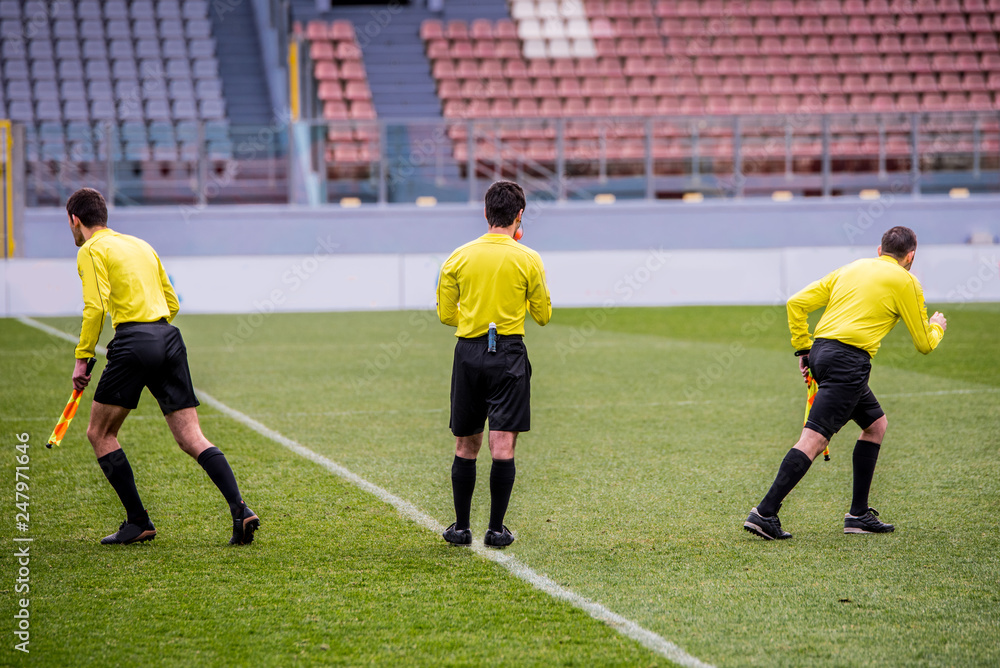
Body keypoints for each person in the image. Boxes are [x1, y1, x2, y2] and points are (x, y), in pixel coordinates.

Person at [66, 188, 259, 546]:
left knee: (99, 434)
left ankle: (138, 522)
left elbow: (94, 307)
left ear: (75, 220)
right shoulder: (141, 245)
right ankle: (240, 509)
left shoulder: (91, 250)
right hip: (169, 337)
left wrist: (84, 356)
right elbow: (171, 301)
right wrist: (154, 334)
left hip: (134, 341)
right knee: (191, 437)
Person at [744, 226, 947, 540]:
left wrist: (804, 349)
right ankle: (765, 513)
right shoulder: (906, 281)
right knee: (813, 440)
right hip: (848, 362)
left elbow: (796, 303)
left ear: (879, 251)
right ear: (910, 256)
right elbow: (923, 343)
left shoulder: (852, 267)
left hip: (823, 352)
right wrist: (937, 328)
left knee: (876, 424)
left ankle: (858, 515)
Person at [436, 180, 552, 548]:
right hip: (509, 353)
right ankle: (497, 530)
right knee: (502, 445)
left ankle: (461, 527)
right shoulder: (528, 258)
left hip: (469, 352)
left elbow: (444, 314)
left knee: (466, 444)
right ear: (519, 216)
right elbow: (543, 314)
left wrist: (473, 317)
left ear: (486, 213)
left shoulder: (458, 256)